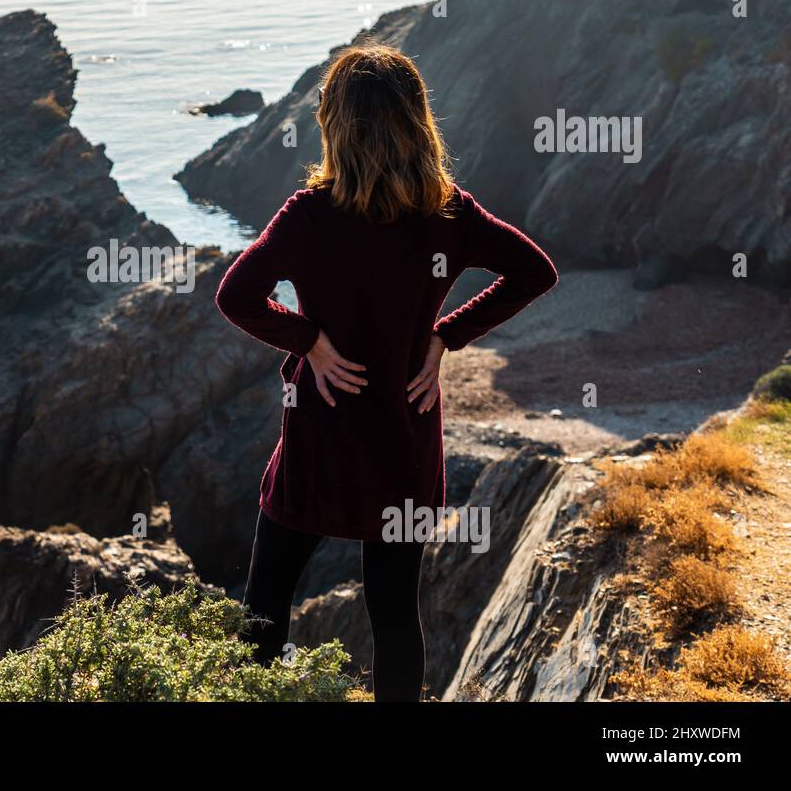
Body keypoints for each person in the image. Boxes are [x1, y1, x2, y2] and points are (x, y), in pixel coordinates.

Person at [214, 43, 558, 701]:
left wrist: (308, 339)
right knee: (395, 617)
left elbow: (235, 297)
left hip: (321, 435)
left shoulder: (309, 215)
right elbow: (535, 272)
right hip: (404, 433)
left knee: (262, 611)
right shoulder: (449, 211)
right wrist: (444, 339)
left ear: (335, 124)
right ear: (417, 121)